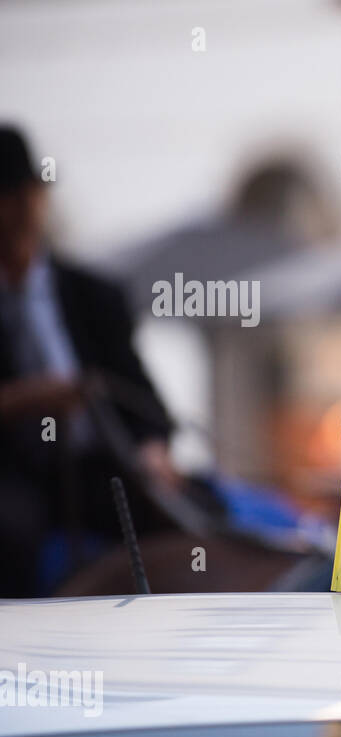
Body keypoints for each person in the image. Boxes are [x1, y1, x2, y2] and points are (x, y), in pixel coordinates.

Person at [0, 124, 177, 596]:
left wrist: (152, 449)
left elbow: (145, 403)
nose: (16, 214)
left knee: (180, 515)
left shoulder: (93, 295)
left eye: (22, 198)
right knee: (10, 535)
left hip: (97, 467)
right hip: (15, 477)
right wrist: (26, 400)